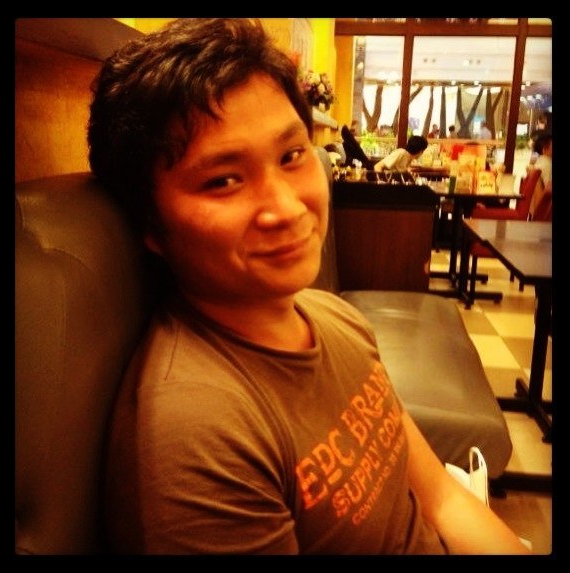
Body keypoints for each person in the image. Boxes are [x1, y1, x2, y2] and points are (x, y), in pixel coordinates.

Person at [88, 18, 530, 555]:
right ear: (150, 225)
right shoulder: (198, 435)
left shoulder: (331, 316)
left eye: (291, 156)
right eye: (223, 180)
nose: (287, 208)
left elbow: (441, 499)